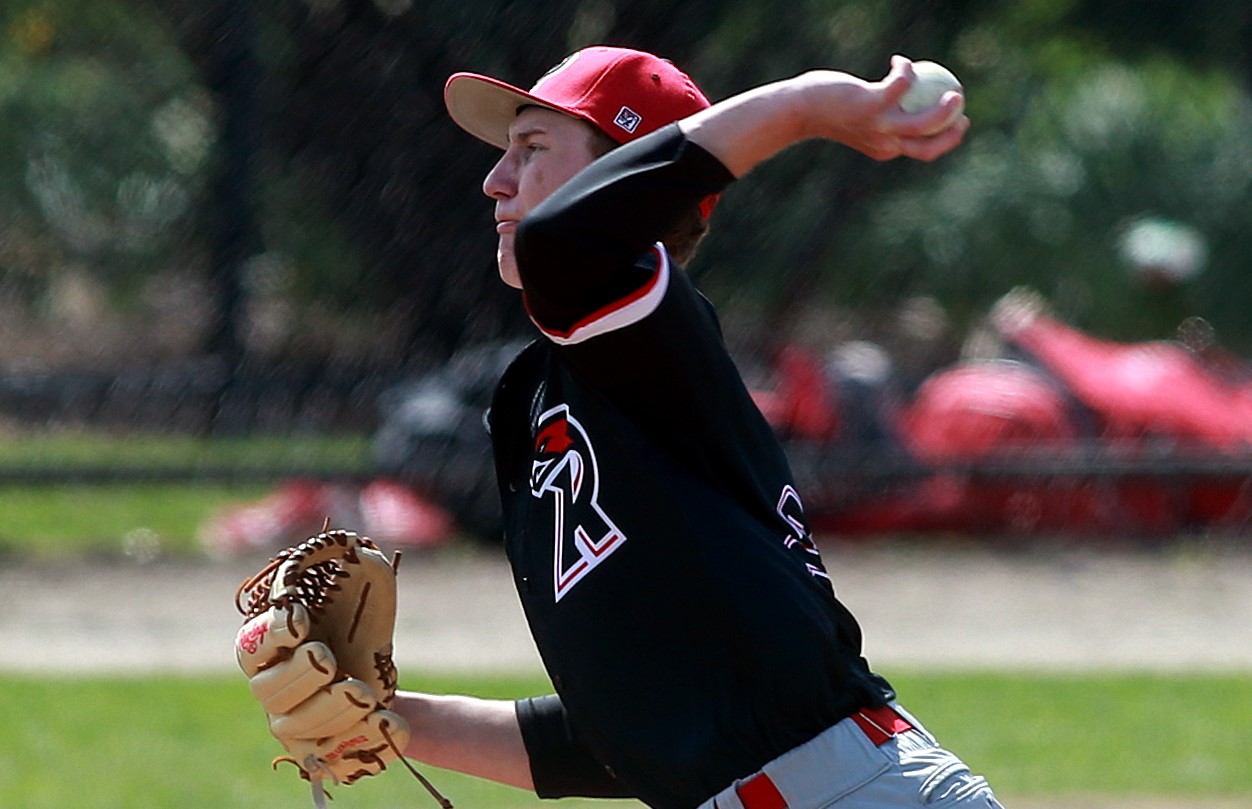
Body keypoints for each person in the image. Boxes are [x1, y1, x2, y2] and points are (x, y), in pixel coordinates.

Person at [390, 45, 995, 808]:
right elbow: (631, 739)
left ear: (627, 178)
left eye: (534, 148)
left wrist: (803, 105)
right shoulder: (563, 391)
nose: (495, 180)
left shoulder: (647, 331)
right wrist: (388, 719)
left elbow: (568, 240)